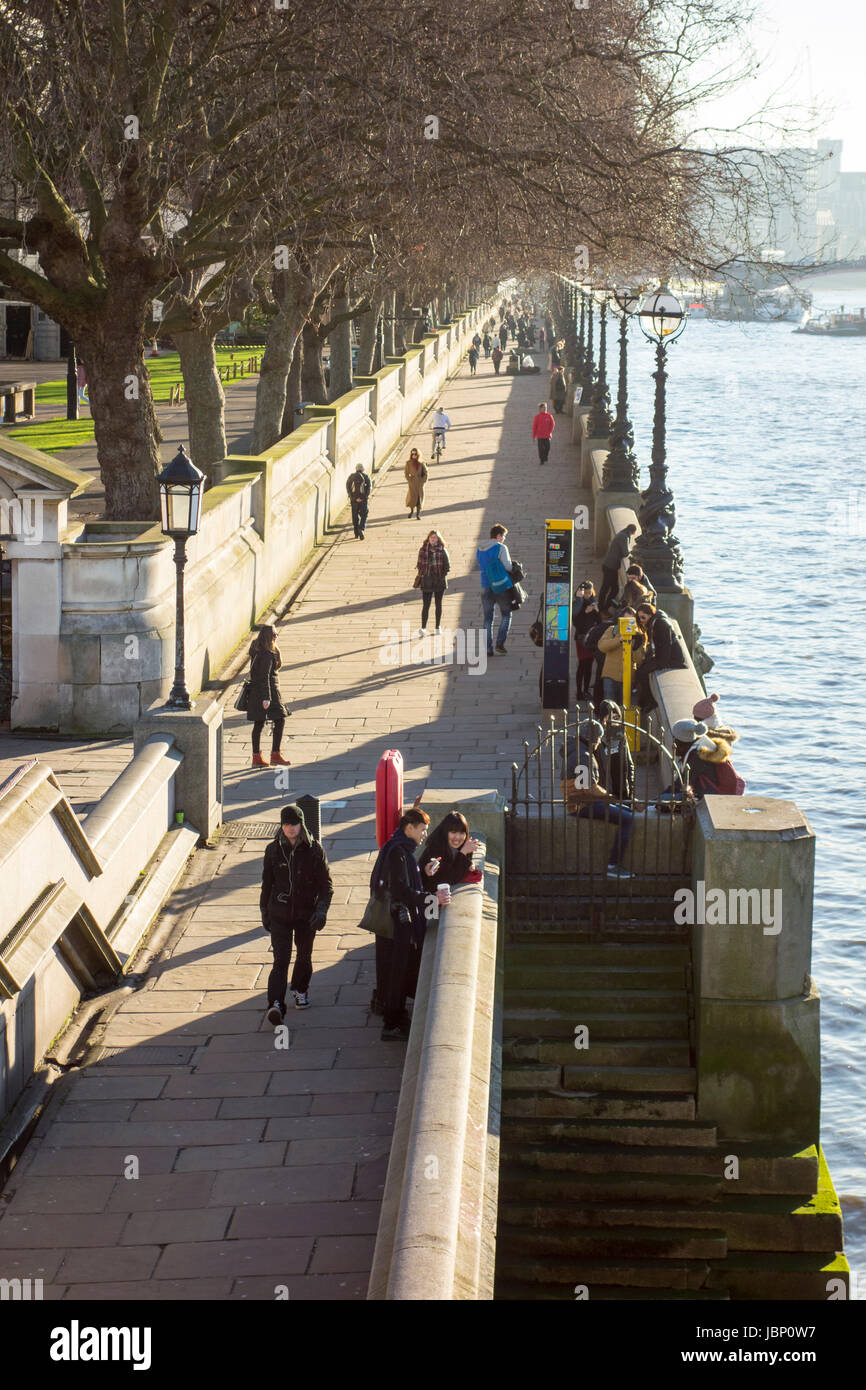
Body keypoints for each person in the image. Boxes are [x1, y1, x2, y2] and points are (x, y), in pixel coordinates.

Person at [260, 804, 333, 1020]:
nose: (291, 829)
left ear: (301, 825)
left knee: (303, 956)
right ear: (281, 826)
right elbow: (267, 884)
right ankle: (275, 1003)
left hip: (305, 914)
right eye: (286, 825)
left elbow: (326, 887)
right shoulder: (273, 850)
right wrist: (264, 910)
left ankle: (300, 990)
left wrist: (321, 911)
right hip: (279, 913)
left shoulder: (315, 850)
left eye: (294, 825)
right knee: (280, 960)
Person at [370, 808, 438, 1040]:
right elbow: (401, 889)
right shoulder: (398, 852)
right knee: (397, 971)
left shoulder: (399, 848)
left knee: (396, 968)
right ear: (409, 828)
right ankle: (392, 1023)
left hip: (397, 920)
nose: (424, 835)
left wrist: (424, 873)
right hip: (398, 922)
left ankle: (395, 1013)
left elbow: (405, 881)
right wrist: (431, 899)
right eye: (422, 830)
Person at [569, 720, 634, 880]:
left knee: (627, 811)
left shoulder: (577, 750)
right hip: (581, 805)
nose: (599, 742)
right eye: (599, 739)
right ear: (594, 739)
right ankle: (613, 865)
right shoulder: (583, 757)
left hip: (582, 800)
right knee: (628, 819)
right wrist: (609, 797)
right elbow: (587, 788)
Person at [247, 625, 290, 769]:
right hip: (268, 693)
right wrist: (267, 698)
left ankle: (256, 757)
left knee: (258, 724)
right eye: (273, 634)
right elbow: (264, 676)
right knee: (280, 719)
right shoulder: (266, 655)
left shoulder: (257, 651)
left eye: (276, 634)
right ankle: (275, 754)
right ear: (267, 636)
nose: (276, 636)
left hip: (257, 692)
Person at [633, 601, 687, 711]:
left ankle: (650, 701)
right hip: (662, 656)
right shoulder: (653, 623)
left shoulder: (661, 624)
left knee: (642, 672)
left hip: (673, 659)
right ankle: (645, 700)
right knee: (641, 669)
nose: (641, 620)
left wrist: (662, 664)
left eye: (643, 617)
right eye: (639, 618)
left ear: (650, 614)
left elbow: (666, 645)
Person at [477, 522, 515, 656]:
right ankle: (499, 644)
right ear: (498, 536)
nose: (504, 539)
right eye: (503, 536)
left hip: (485, 585)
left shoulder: (480, 548)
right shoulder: (501, 547)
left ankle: (488, 648)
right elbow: (508, 567)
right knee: (506, 614)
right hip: (500, 586)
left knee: (488, 619)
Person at [418, 811, 482, 889]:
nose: (457, 837)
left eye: (462, 833)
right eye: (453, 832)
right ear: (445, 832)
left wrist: (469, 863)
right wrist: (463, 853)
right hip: (427, 895)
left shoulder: (463, 845)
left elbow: (459, 869)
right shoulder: (435, 849)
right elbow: (449, 879)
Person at [597, 607, 645, 704]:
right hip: (610, 675)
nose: (628, 623)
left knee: (625, 707)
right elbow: (602, 646)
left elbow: (639, 660)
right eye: (625, 620)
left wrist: (636, 646)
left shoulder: (639, 635)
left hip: (628, 677)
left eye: (631, 620)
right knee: (610, 707)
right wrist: (619, 640)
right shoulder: (613, 630)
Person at [597, 699, 635, 802]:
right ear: (603, 719)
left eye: (616, 718)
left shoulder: (621, 735)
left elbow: (629, 764)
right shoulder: (596, 737)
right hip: (605, 792)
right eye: (610, 718)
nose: (614, 722)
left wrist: (630, 788)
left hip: (622, 791)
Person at [416, 528, 451, 634]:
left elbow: (447, 566)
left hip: (439, 581)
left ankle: (437, 627)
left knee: (438, 604)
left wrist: (441, 576)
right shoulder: (423, 550)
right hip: (426, 581)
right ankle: (423, 628)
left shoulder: (442, 550)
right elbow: (419, 564)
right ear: (428, 538)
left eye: (435, 537)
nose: (433, 539)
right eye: (431, 537)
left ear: (438, 539)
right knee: (425, 605)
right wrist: (423, 574)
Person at [598, 523, 638, 612]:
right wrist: (633, 550)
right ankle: (602, 609)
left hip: (609, 565)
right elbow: (625, 553)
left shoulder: (622, 534)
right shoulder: (624, 537)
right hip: (610, 567)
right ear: (633, 532)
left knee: (610, 588)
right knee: (609, 588)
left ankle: (604, 607)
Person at [572, 582, 600, 700]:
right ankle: (579, 692)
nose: (588, 595)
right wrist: (585, 612)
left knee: (589, 665)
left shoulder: (593, 602)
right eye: (586, 593)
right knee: (582, 664)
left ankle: (586, 690)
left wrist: (597, 610)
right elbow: (576, 623)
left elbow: (599, 622)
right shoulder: (577, 603)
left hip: (592, 638)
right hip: (581, 637)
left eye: (590, 592)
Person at [346, 461, 370, 539]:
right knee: (364, 514)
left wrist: (353, 498)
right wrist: (363, 498)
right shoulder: (366, 477)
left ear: (356, 469)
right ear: (363, 469)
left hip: (354, 500)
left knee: (355, 516)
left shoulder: (351, 477)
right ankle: (361, 528)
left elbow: (348, 487)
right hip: (363, 500)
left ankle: (356, 533)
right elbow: (369, 488)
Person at [404, 447, 427, 519]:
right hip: (412, 483)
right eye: (412, 454)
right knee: (412, 498)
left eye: (415, 454)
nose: (414, 455)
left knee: (419, 499)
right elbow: (406, 473)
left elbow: (426, 473)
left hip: (419, 483)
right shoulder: (408, 463)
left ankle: (418, 514)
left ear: (418, 454)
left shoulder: (422, 463)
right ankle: (411, 511)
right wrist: (409, 480)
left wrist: (423, 481)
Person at [531, 400, 555, 465]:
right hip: (540, 436)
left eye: (546, 408)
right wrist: (533, 436)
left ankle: (545, 456)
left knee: (548, 447)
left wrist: (550, 431)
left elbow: (552, 425)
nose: (545, 409)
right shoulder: (537, 417)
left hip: (547, 435)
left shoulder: (549, 416)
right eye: (543, 408)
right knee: (541, 449)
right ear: (540, 409)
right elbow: (534, 427)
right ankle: (542, 460)